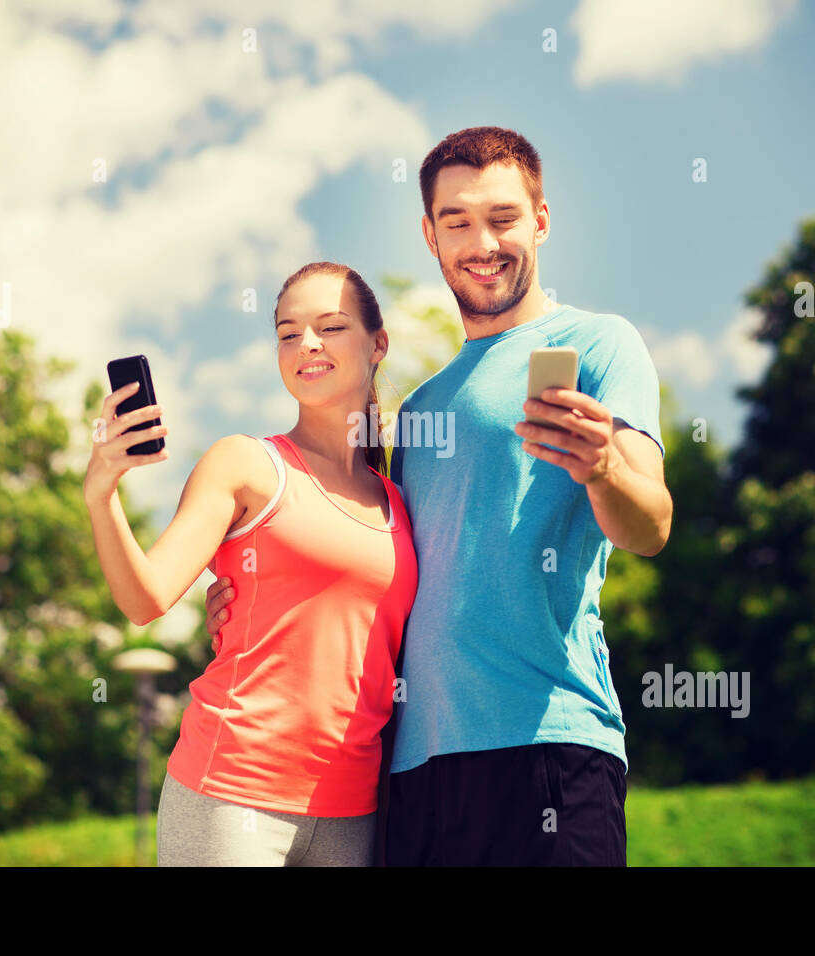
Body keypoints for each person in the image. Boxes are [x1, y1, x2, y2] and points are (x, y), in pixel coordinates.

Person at [204, 127, 672, 866]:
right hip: (413, 772)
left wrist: (603, 464)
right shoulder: (417, 411)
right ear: (430, 236)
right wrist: (247, 596)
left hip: (550, 742)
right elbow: (367, 565)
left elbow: (651, 524)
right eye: (457, 222)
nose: (481, 242)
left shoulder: (601, 343)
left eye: (503, 218)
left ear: (541, 220)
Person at [84, 262, 418, 866]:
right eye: (288, 333)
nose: (306, 345)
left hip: (353, 811)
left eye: (331, 327)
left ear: (378, 344)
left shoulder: (398, 499)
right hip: (230, 795)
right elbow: (145, 599)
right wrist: (100, 494)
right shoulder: (244, 464)